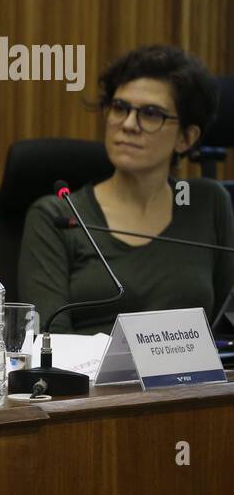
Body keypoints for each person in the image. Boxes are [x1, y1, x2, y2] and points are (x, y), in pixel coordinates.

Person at [20, 44, 234, 334]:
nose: (128, 125)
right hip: (87, 378)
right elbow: (49, 339)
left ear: (185, 138)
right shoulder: (57, 216)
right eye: (120, 108)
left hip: (188, 379)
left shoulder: (206, 203)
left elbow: (224, 325)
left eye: (150, 114)